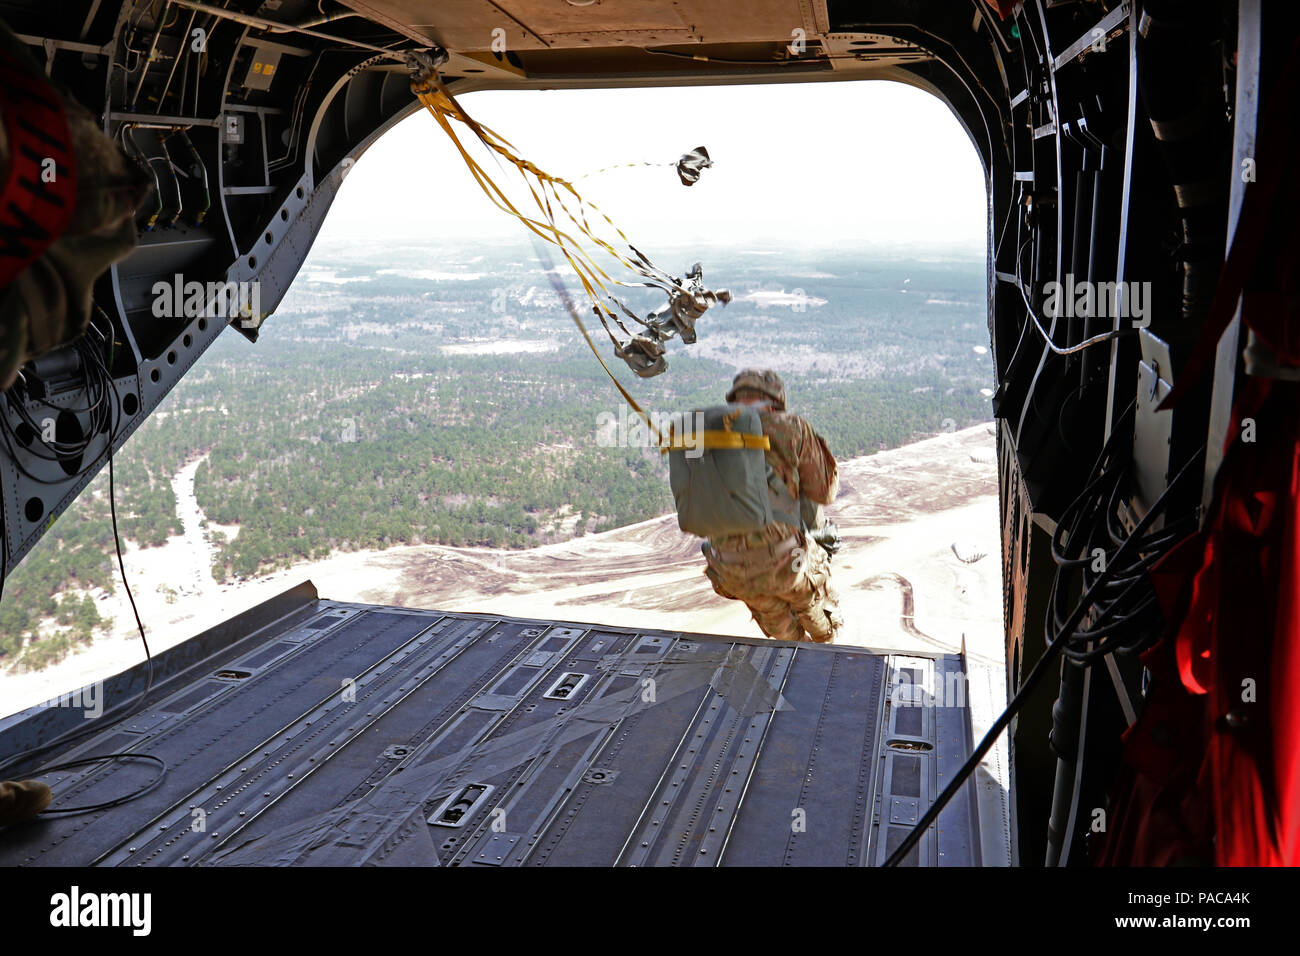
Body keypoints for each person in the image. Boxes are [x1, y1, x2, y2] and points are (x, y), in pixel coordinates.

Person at [702, 369, 845, 643]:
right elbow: (824, 492)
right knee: (822, 634)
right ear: (774, 402)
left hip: (732, 573)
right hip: (786, 568)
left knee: (788, 644)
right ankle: (823, 649)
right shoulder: (790, 427)